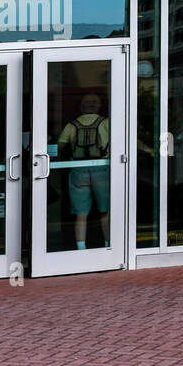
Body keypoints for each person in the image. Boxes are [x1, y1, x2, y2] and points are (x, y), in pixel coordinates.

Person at [58, 93, 110, 249]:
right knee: (105, 212)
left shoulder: (71, 125)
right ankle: (108, 245)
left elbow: (60, 146)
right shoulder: (106, 122)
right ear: (99, 107)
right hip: (101, 167)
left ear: (81, 107)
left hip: (78, 169)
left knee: (81, 215)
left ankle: (81, 248)